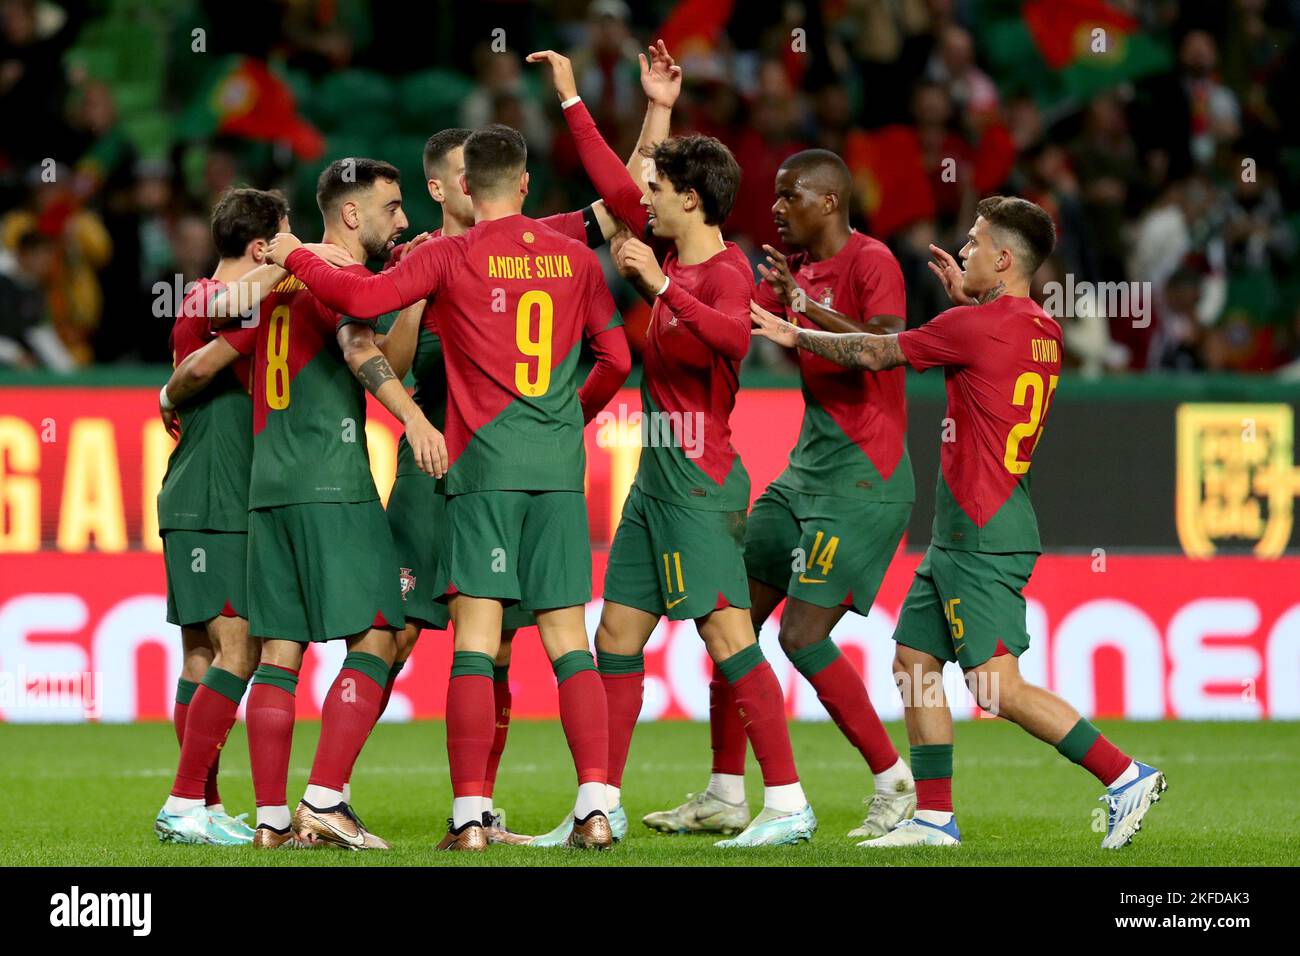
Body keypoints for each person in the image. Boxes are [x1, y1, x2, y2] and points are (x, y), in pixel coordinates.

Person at [752, 195, 1167, 849]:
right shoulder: (1039, 328)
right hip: (969, 530)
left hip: (982, 530)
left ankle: (1125, 775)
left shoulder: (978, 328)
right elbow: (988, 355)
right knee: (915, 660)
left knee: (995, 688)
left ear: (1003, 259)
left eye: (974, 243)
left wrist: (795, 332)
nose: (962, 250)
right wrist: (970, 302)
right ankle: (934, 818)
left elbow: (875, 352)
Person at [269, 125, 632, 851]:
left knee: (495, 645)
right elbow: (382, 351)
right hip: (442, 468)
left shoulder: (492, 248)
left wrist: (646, 112)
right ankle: (325, 795)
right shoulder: (431, 256)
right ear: (445, 187)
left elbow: (625, 206)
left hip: (479, 466)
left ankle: (475, 809)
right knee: (393, 629)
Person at [528, 47, 816, 848]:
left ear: (690, 200)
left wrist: (657, 289)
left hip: (700, 482)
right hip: (655, 484)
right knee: (616, 637)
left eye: (657, 191)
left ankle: (788, 803)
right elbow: (611, 185)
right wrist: (575, 101)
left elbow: (733, 338)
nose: (641, 200)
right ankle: (598, 805)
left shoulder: (725, 273)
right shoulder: (664, 245)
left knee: (728, 638)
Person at [173, 158, 445, 850]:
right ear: (351, 214)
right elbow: (364, 350)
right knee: (379, 633)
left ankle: (267, 822)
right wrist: (411, 417)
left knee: (279, 654)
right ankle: (325, 800)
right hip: (333, 482)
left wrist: (410, 295)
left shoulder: (265, 289)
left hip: (266, 493)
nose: (402, 220)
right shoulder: (337, 280)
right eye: (391, 207)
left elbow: (210, 333)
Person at [646, 149, 917, 840]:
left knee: (801, 635)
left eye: (789, 195)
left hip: (864, 478)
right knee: (730, 612)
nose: (775, 207)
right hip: (804, 473)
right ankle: (726, 792)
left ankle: (894, 781)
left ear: (828, 202)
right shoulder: (789, 270)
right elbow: (735, 324)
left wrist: (805, 312)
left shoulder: (871, 261)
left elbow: (885, 345)